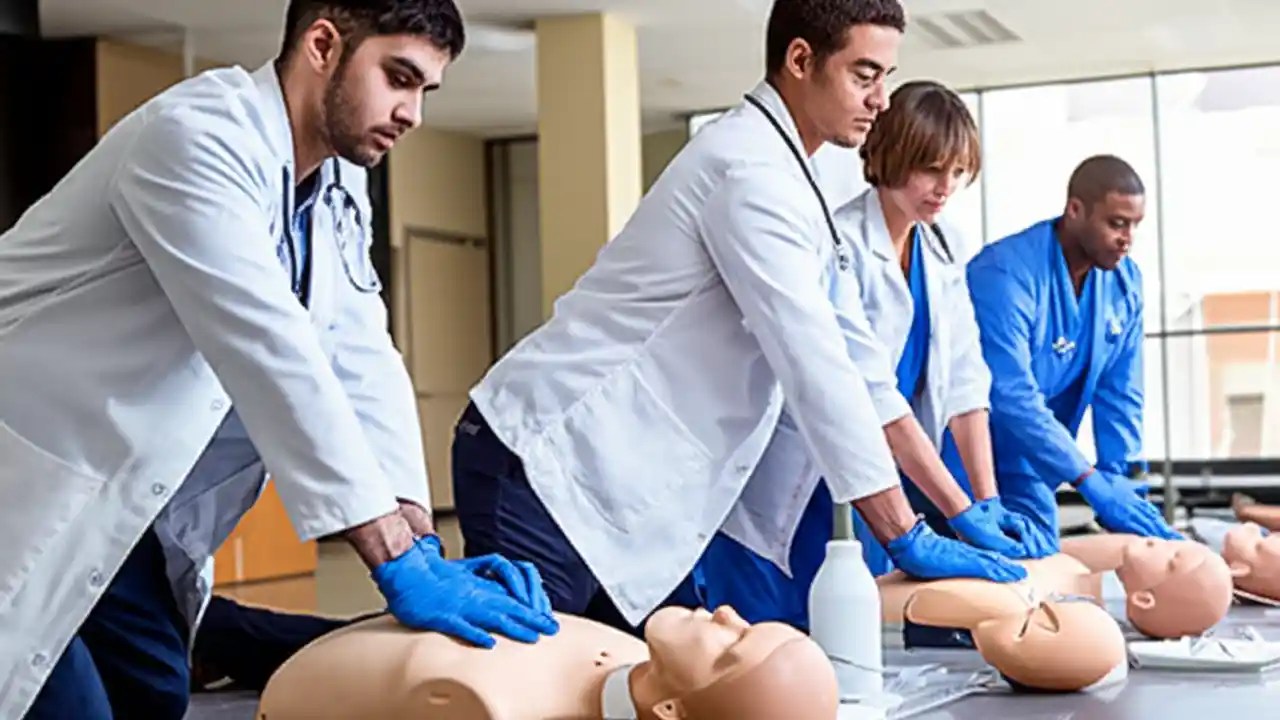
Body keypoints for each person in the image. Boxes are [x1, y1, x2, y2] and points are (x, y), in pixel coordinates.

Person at [0, 3, 555, 719]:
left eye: (426, 91)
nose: (412, 112)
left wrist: (418, 537)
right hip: (29, 482)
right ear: (323, 42)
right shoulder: (195, 138)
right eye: (399, 77)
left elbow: (361, 353)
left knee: (153, 698)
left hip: (126, 512)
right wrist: (390, 559)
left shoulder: (335, 187)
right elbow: (269, 350)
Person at [451, 0, 1022, 637]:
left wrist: (962, 509)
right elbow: (814, 367)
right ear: (800, 60)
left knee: (640, 683)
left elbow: (862, 367)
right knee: (539, 686)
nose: (883, 100)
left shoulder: (796, 185)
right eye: (865, 75)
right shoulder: (748, 173)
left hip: (621, 479)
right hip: (546, 458)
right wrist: (903, 531)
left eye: (887, 76)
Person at [695, 80, 1043, 630]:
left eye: (957, 172)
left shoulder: (943, 245)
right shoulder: (840, 244)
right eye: (931, 168)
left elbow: (966, 383)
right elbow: (872, 396)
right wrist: (959, 510)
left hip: (877, 487)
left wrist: (987, 499)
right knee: (767, 652)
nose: (944, 187)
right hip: (801, 478)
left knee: (854, 643)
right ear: (890, 154)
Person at [911, 155, 1181, 547]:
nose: (1127, 238)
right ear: (1075, 210)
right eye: (1116, 223)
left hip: (1032, 458)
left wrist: (1118, 477)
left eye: (1134, 225)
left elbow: (1121, 393)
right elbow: (1009, 394)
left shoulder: (1125, 283)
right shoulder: (1004, 273)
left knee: (1041, 559)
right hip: (964, 452)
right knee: (968, 573)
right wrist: (1089, 481)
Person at [253, 604, 839, 719]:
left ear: (669, 711)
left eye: (729, 649)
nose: (728, 613)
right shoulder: (631, 656)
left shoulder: (488, 707)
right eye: (750, 625)